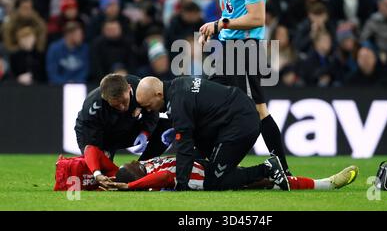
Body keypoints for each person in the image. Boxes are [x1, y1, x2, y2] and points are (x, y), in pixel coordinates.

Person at [198, 0, 291, 175]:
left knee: (258, 110)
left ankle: (281, 167)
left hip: (246, 52)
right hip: (227, 50)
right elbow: (232, 15)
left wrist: (219, 25)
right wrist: (215, 31)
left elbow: (257, 18)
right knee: (212, 103)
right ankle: (212, 161)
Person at [135, 76, 290, 191]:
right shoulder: (178, 85)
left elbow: (185, 145)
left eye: (148, 106)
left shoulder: (177, 102)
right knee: (202, 163)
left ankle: (267, 168)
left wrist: (180, 185)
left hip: (239, 124)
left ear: (158, 95)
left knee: (214, 181)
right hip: (234, 117)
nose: (149, 110)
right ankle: (237, 173)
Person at [74, 73, 171, 187]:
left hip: (125, 128)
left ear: (129, 89)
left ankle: (141, 168)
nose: (122, 107)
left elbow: (152, 112)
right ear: (106, 99)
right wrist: (99, 164)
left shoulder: (139, 87)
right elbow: (91, 146)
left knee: (166, 127)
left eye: (124, 101)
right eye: (116, 105)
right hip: (101, 135)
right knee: (100, 178)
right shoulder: (93, 108)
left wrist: (145, 133)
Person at [103, 155, 358, 192]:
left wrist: (130, 186)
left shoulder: (154, 168)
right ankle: (326, 183)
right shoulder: (151, 164)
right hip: (212, 174)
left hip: (214, 176)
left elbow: (165, 178)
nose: (136, 163)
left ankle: (326, 184)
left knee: (265, 180)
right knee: (267, 185)